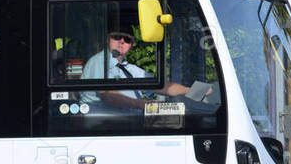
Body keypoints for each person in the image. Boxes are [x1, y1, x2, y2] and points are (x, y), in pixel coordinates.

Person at [79, 29, 207, 110]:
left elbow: (160, 86)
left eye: (127, 39)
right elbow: (108, 95)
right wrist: (145, 105)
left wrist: (195, 91)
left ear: (132, 45)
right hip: (103, 126)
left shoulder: (128, 67)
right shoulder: (100, 61)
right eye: (117, 37)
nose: (122, 41)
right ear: (108, 39)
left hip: (125, 124)